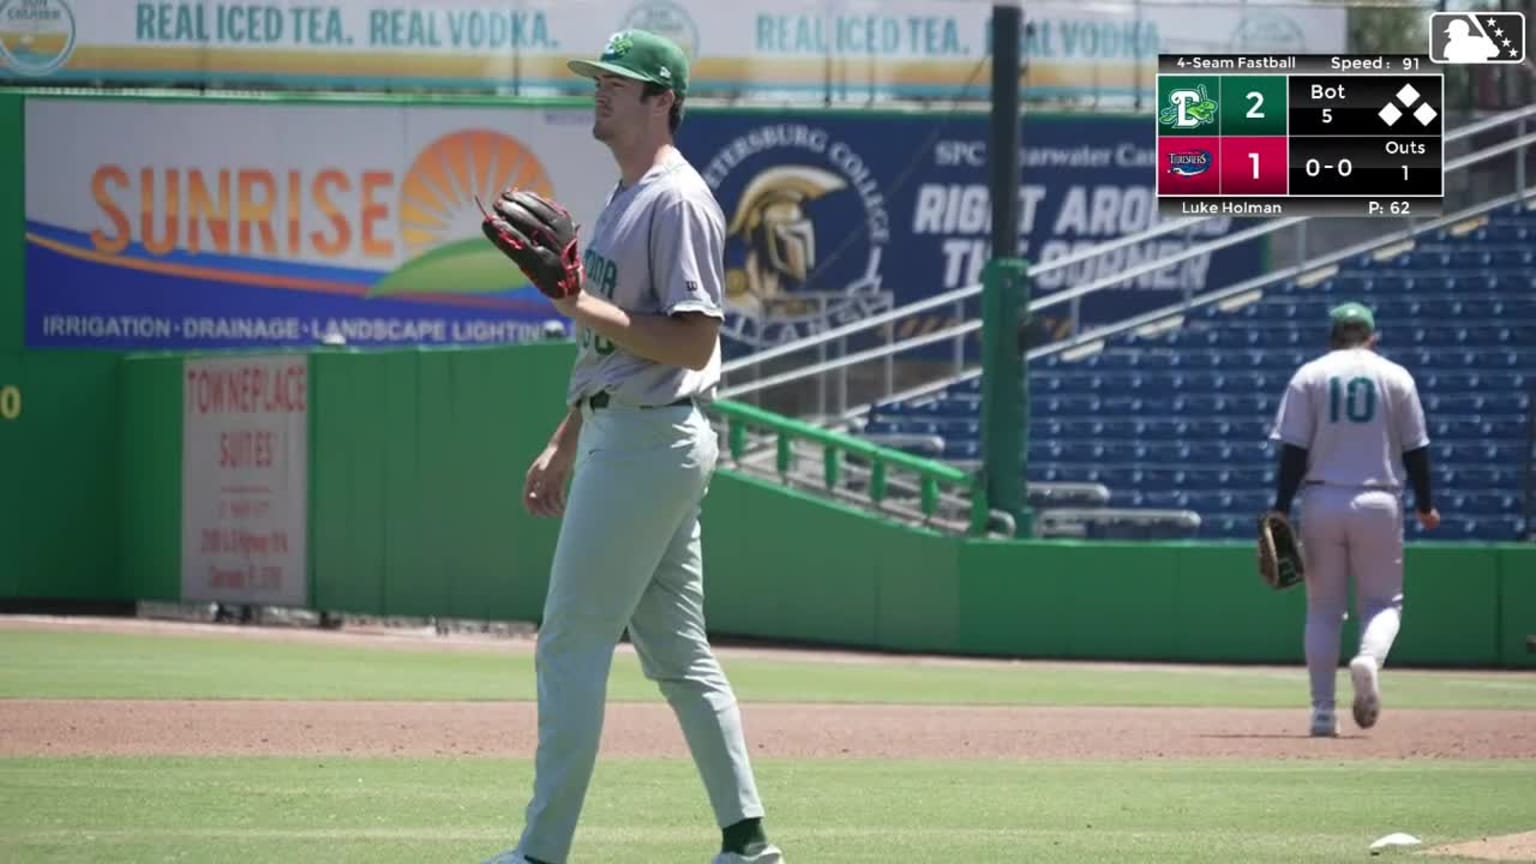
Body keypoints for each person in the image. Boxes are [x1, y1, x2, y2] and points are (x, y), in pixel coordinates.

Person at [479, 29, 783, 864]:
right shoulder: (624, 197)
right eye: (599, 78)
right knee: (680, 655)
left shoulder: (677, 200)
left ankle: (541, 852)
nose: (601, 90)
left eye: (621, 81)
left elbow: (691, 342)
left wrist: (578, 305)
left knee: (571, 640)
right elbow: (613, 349)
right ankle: (748, 841)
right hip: (627, 431)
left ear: (663, 101)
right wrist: (565, 438)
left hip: (649, 442)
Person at [1267, 302, 1441, 738]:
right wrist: (1426, 504)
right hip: (1380, 498)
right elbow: (1416, 449)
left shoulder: (1310, 374)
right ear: (1372, 336)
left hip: (1322, 497)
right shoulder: (1396, 376)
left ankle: (1322, 712)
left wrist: (1281, 508)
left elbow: (1293, 451)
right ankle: (1368, 659)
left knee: (1323, 608)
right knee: (1384, 603)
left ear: (1332, 336)